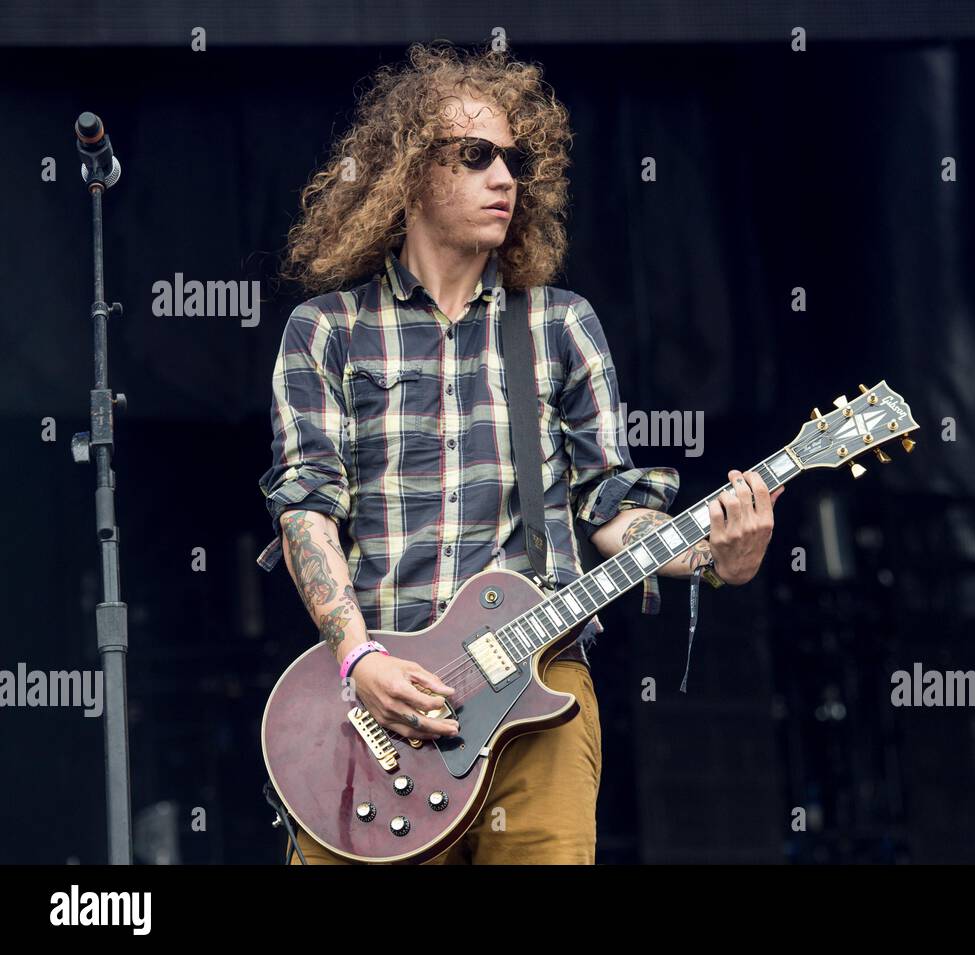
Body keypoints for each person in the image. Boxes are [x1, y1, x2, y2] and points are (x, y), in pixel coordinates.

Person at [257, 42, 781, 864]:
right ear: (409, 172)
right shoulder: (327, 331)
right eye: (476, 157)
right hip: (380, 697)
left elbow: (610, 512)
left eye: (514, 158)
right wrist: (358, 657)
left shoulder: (560, 325)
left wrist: (716, 555)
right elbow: (306, 510)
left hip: (542, 688)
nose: (504, 177)